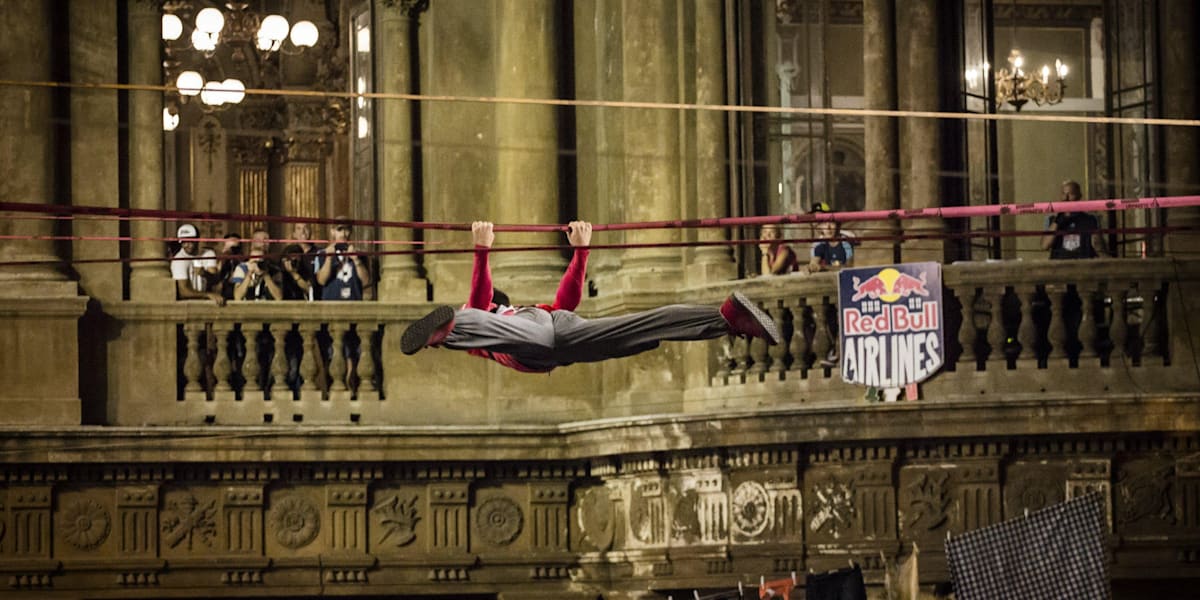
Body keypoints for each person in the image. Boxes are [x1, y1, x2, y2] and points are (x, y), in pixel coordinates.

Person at [400, 221, 780, 373]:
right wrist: (581, 252)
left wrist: (482, 249)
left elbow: (481, 299)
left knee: (478, 316)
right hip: (562, 341)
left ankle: (447, 328)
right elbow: (567, 304)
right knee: (641, 328)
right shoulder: (509, 325)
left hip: (536, 342)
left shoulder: (498, 324)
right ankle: (725, 317)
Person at [1041, 180, 1103, 259]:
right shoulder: (1051, 219)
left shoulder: (1090, 219)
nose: (1066, 198)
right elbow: (1044, 246)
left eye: (1071, 194)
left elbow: (1098, 247)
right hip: (1058, 266)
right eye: (1063, 194)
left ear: (1079, 196)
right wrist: (1058, 220)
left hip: (1083, 266)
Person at [314, 217, 371, 301]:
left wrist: (356, 260)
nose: (343, 234)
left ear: (351, 232)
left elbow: (366, 281)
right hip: (331, 306)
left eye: (347, 230)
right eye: (339, 230)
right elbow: (321, 280)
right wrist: (329, 258)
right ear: (332, 231)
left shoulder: (360, 255)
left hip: (354, 305)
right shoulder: (322, 254)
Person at [170, 223, 224, 306]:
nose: (187, 245)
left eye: (191, 242)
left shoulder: (208, 254)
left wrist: (204, 274)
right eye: (184, 242)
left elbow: (216, 282)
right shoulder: (179, 260)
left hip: (210, 302)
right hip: (189, 305)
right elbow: (183, 292)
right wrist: (207, 295)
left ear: (197, 240)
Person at [231, 229, 283, 301]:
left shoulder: (275, 270)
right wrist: (249, 273)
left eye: (266, 240)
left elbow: (279, 297)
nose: (263, 243)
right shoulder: (242, 268)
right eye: (259, 240)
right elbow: (237, 297)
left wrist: (265, 274)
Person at [807, 203, 854, 273]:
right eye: (824, 223)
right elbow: (814, 263)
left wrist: (824, 267)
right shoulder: (818, 245)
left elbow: (849, 267)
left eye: (831, 222)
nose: (828, 227)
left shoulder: (846, 241)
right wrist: (812, 266)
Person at [215, 232, 244, 300]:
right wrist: (224, 258)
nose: (231, 252)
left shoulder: (244, 262)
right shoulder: (219, 260)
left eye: (234, 248)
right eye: (228, 248)